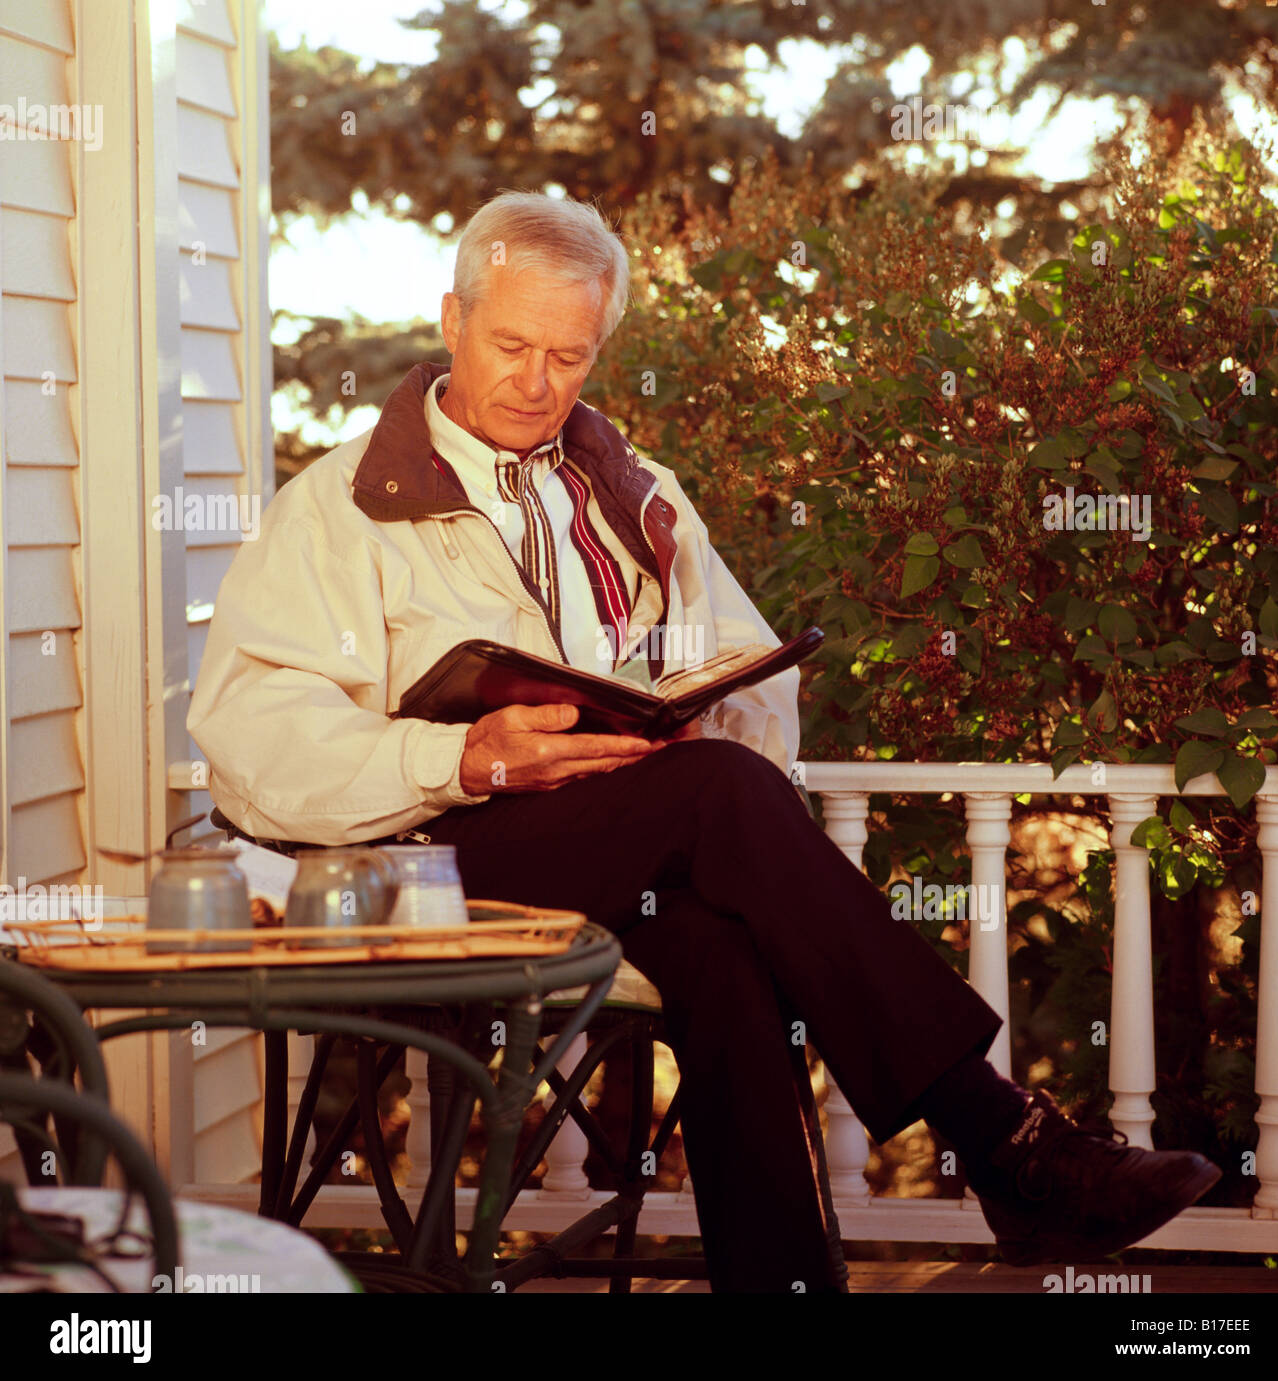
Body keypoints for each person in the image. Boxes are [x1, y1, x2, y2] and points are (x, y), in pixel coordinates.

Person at [188, 191, 1220, 1293]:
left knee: (718, 943)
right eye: (511, 345)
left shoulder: (642, 498)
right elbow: (253, 739)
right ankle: (1004, 1136)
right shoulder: (338, 508)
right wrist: (465, 758)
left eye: (569, 356)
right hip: (422, 867)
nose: (537, 382)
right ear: (450, 321)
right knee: (714, 795)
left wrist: (686, 712)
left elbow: (745, 681)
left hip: (617, 851)